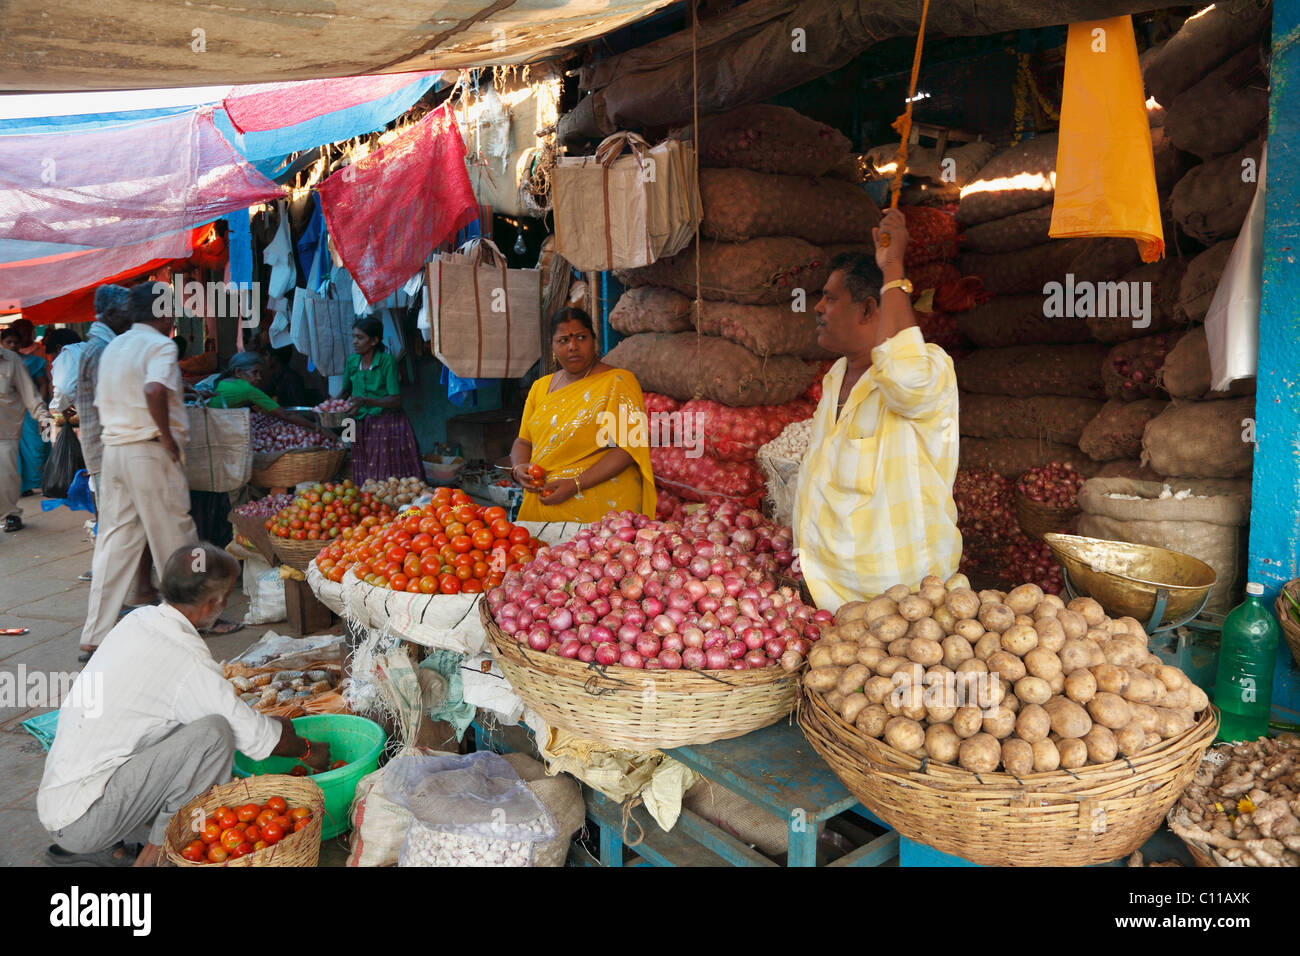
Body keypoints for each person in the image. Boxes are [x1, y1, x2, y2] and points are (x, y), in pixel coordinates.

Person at [38, 543, 332, 867]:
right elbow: (253, 736)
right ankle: (158, 857)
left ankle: (113, 847)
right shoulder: (186, 660)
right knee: (214, 735)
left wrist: (274, 727)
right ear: (213, 604)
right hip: (84, 818)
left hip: (64, 801)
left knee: (194, 724)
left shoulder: (141, 620)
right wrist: (307, 748)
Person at [792, 207, 960, 611]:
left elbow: (903, 371)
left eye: (830, 299)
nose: (817, 308)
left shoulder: (930, 368)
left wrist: (894, 270)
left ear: (868, 310)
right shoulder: (835, 376)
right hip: (832, 599)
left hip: (902, 605)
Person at [80, 284, 237, 662]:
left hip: (115, 451)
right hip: (148, 451)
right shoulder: (161, 346)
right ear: (164, 313)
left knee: (114, 544)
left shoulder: (115, 346)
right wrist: (166, 438)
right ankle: (199, 618)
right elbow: (153, 389)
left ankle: (94, 635)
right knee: (178, 539)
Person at [509, 308, 655, 522]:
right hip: (543, 508)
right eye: (563, 340)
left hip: (602, 515)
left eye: (581, 337)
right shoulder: (540, 388)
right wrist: (519, 468)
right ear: (552, 347)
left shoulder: (618, 382)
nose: (573, 346)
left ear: (594, 341)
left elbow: (628, 448)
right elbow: (523, 441)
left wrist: (576, 484)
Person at [338, 316, 422, 484]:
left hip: (385, 422)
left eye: (360, 337)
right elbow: (346, 390)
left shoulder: (387, 361)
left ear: (374, 340)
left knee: (385, 470)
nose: (354, 341)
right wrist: (330, 406)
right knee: (361, 464)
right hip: (357, 423)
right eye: (353, 337)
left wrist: (365, 401)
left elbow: (396, 400)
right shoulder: (352, 361)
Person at [1, 334, 52, 532]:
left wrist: (42, 416)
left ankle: (10, 515)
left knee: (5, 477)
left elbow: (28, 392)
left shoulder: (11, 360)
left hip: (4, 430)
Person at [45, 328, 86, 416]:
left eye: (53, 357)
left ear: (59, 348)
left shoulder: (67, 353)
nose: (53, 362)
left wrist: (56, 408)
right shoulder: (88, 349)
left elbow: (64, 390)